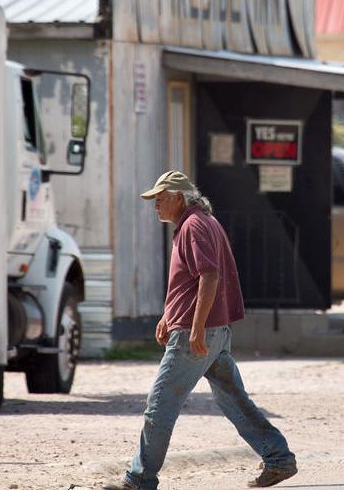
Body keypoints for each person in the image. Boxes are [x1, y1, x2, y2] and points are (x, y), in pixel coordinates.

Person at [105, 170, 297, 490]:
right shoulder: (203, 221)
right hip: (215, 331)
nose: (155, 206)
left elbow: (209, 277)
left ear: (179, 197)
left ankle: (139, 479)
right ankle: (279, 458)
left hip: (198, 334)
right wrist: (169, 315)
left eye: (160, 199)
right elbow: (191, 281)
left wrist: (194, 328)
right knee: (234, 399)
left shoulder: (193, 225)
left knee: (159, 405)